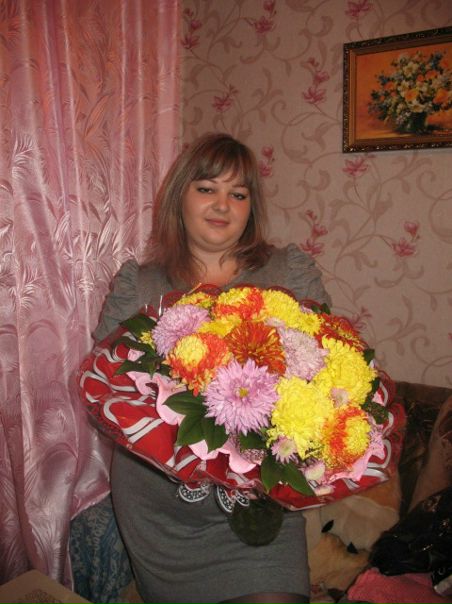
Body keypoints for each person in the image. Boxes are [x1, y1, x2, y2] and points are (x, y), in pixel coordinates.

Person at [93, 132, 332, 604]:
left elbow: (327, 374)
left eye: (238, 194)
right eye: (206, 188)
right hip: (161, 508)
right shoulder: (138, 285)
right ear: (178, 197)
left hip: (259, 508)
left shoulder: (288, 273)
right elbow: (109, 390)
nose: (223, 205)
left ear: (251, 207)